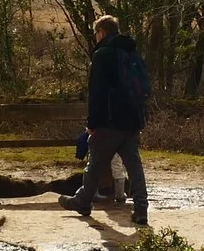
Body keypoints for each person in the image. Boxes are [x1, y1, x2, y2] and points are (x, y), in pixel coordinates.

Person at [61, 14, 150, 224]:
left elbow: (97, 92)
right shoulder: (131, 50)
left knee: (96, 162)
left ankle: (82, 201)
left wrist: (92, 123)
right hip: (132, 120)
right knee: (134, 166)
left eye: (96, 33)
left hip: (110, 120)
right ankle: (141, 209)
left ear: (101, 32)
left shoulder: (102, 54)